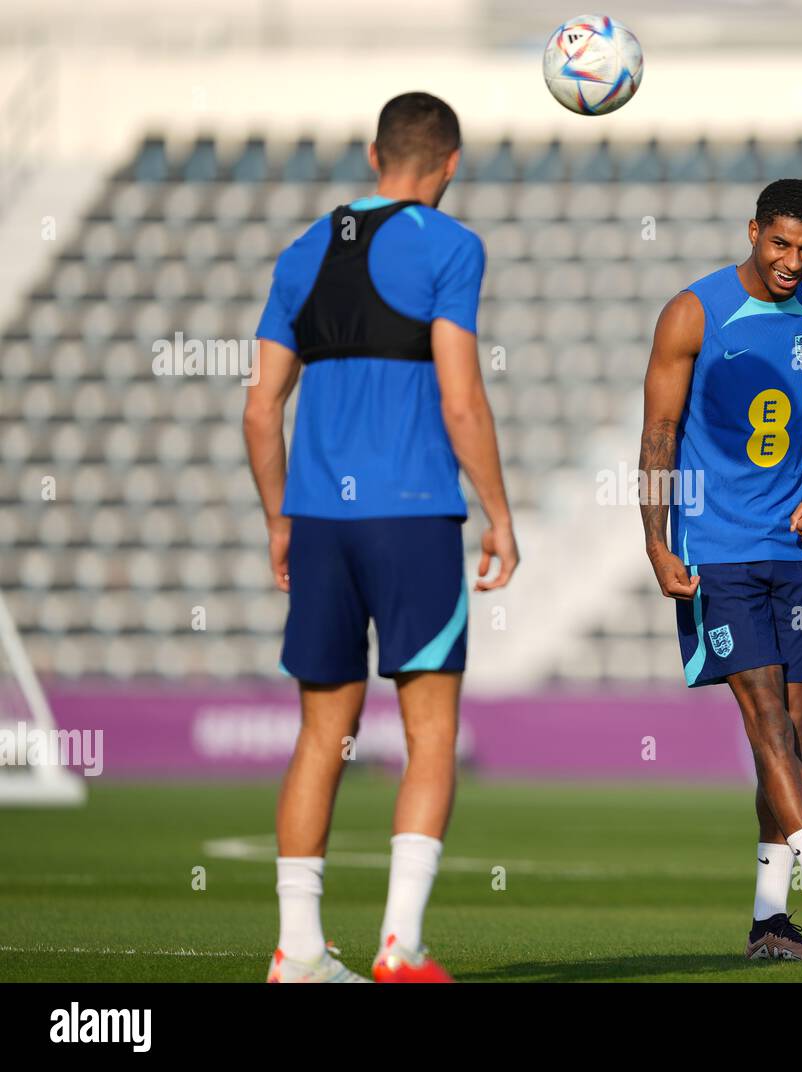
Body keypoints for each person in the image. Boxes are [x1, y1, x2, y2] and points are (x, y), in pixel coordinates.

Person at [244, 92, 518, 983]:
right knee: (430, 732)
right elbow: (460, 397)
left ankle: (297, 952)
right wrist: (501, 515)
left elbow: (258, 411)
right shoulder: (451, 246)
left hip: (320, 521)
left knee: (322, 734)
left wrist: (281, 516)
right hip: (411, 517)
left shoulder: (299, 254)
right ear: (450, 163)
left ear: (373, 155)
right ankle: (399, 946)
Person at [638, 178, 802, 961]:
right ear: (754, 232)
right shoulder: (693, 312)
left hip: (792, 550)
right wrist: (656, 540)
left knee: (793, 737)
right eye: (780, 244)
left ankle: (771, 921)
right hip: (717, 551)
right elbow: (660, 432)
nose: (793, 261)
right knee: (766, 720)